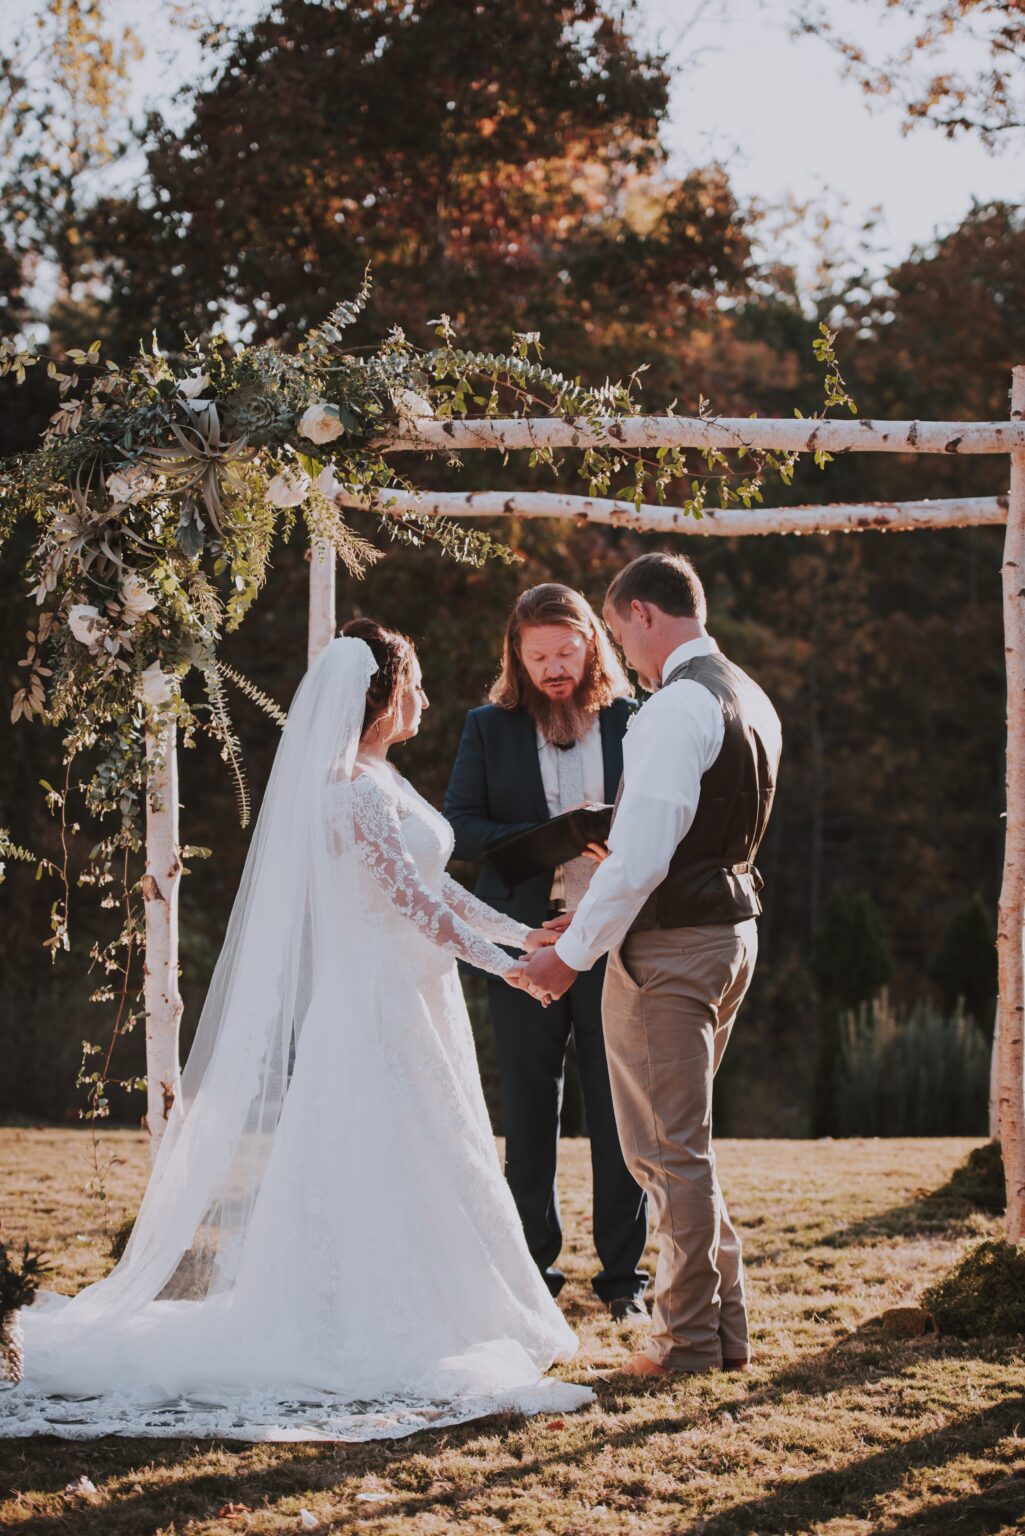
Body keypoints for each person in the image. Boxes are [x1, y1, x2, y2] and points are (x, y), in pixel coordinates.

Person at [0, 622, 593, 1442]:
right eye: (413, 684)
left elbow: (437, 888)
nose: (423, 697)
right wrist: (509, 969)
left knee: (435, 1149)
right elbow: (411, 907)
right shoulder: (348, 791)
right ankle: (371, 1319)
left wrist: (519, 937)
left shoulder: (381, 775)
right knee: (390, 1149)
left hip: (417, 994)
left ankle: (454, 1308)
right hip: (374, 1003)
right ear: (381, 698)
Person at [522, 554, 782, 1377]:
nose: (623, 657)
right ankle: (722, 1333)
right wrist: (589, 919)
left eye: (618, 635)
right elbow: (700, 839)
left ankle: (686, 1346)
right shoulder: (749, 694)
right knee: (682, 1150)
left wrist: (568, 954)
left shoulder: (674, 706)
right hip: (726, 936)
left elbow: (638, 859)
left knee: (666, 1153)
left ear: (640, 613)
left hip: (670, 952)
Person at [445, 585, 648, 1318]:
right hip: (524, 946)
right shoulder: (487, 727)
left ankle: (624, 1282)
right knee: (529, 1115)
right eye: (538, 657)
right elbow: (460, 830)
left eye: (565, 651)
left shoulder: (637, 721)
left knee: (618, 1115)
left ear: (592, 642)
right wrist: (555, 835)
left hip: (618, 945)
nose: (554, 668)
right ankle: (533, 1276)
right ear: (517, 657)